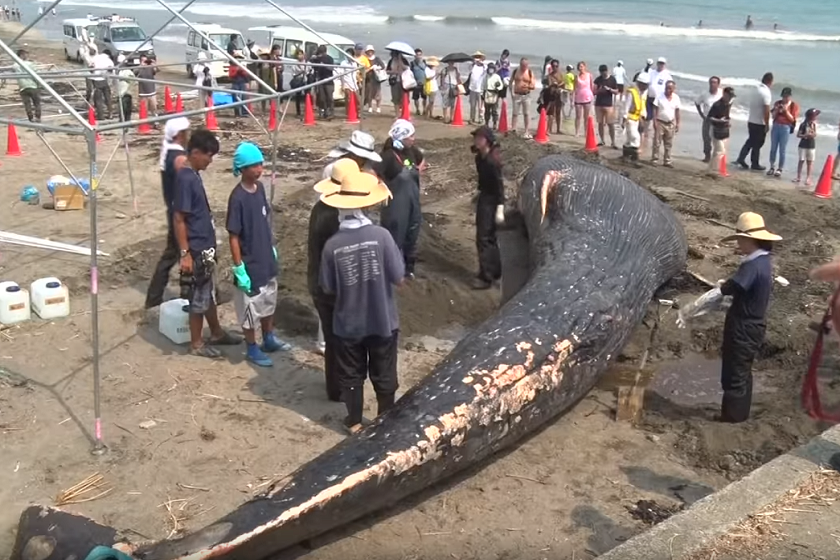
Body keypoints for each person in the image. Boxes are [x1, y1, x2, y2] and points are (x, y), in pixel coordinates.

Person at [318, 166, 404, 434]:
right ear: (366, 205)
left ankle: (354, 421)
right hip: (382, 319)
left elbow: (328, 287)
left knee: (352, 374)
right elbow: (399, 276)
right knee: (384, 372)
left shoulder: (332, 245)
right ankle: (384, 421)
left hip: (348, 323)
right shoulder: (382, 237)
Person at [311, 132, 383, 366]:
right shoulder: (333, 217)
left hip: (326, 279)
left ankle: (337, 378)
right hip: (333, 281)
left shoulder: (322, 213)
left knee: (335, 332)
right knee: (338, 336)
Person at [172, 129, 242, 358]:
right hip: (196, 247)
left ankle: (216, 332)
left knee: (207, 292)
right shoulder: (185, 178)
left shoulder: (192, 175)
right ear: (195, 152)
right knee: (198, 297)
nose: (210, 161)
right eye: (208, 155)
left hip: (205, 244)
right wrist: (186, 253)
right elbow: (179, 218)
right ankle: (196, 343)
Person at [226, 142, 290, 367]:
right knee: (250, 307)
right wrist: (238, 267)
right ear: (242, 169)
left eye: (261, 164)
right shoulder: (238, 198)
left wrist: (271, 246)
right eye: (254, 165)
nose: (259, 169)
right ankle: (252, 347)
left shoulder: (260, 189)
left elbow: (264, 220)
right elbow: (233, 235)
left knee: (268, 300)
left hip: (265, 256)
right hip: (250, 261)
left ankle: (269, 337)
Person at [717, 212, 781, 423]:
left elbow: (732, 287)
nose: (738, 244)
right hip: (753, 325)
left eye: (740, 240)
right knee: (743, 370)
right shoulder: (762, 261)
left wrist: (721, 288)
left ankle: (732, 418)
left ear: (748, 240)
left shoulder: (751, 266)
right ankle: (740, 413)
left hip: (744, 325)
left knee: (734, 373)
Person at [145, 117, 192, 309]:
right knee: (182, 253)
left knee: (175, 254)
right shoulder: (179, 159)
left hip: (174, 211)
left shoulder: (170, 153)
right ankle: (183, 296)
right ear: (180, 135)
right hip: (180, 214)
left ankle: (157, 297)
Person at [377, 119, 424, 279]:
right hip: (396, 206)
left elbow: (421, 160)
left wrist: (418, 169)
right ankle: (392, 270)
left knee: (412, 235)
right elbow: (372, 173)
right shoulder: (388, 156)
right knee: (395, 236)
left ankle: (408, 267)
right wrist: (382, 188)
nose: (413, 139)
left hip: (413, 202)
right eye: (410, 136)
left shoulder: (411, 151)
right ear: (401, 138)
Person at [471, 126, 504, 290]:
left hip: (491, 200)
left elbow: (499, 186)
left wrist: (500, 206)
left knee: (484, 237)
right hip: (484, 197)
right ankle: (494, 271)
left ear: (487, 141)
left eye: (479, 138)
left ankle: (487, 276)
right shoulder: (480, 158)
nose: (476, 141)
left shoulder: (492, 162)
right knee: (487, 236)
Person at [736, 72, 773, 171]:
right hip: (759, 122)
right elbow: (766, 109)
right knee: (758, 143)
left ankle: (741, 158)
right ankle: (754, 163)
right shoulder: (766, 92)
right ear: (770, 81)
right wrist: (767, 123)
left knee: (750, 141)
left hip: (751, 120)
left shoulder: (755, 90)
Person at [767, 87, 799, 178]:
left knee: (782, 149)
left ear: (790, 96)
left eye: (786, 96)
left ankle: (780, 168)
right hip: (776, 125)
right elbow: (773, 116)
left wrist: (785, 111)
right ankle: (772, 166)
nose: (784, 98)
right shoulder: (778, 103)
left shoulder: (793, 106)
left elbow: (792, 119)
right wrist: (777, 110)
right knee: (773, 147)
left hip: (785, 127)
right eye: (783, 96)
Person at [621, 72, 649, 164]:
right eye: (645, 85)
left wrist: (643, 116)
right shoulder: (632, 92)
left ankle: (625, 156)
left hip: (637, 118)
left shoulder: (642, 93)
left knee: (629, 139)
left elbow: (642, 105)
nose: (646, 87)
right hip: (630, 118)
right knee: (635, 138)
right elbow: (627, 106)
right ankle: (634, 158)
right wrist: (624, 118)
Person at [651, 80, 681, 167]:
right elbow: (655, 109)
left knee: (668, 143)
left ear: (673, 89)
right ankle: (654, 159)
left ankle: (667, 161)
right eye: (667, 88)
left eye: (670, 88)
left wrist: (678, 123)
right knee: (657, 142)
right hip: (660, 121)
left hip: (670, 123)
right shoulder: (659, 96)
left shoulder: (676, 98)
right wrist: (654, 121)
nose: (668, 90)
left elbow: (677, 111)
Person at [707, 87, 736, 174]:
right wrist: (720, 121)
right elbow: (710, 117)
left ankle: (712, 169)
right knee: (720, 150)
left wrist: (727, 122)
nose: (730, 98)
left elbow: (726, 116)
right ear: (724, 94)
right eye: (729, 96)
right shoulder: (717, 104)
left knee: (718, 151)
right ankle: (716, 170)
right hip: (715, 129)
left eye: (731, 96)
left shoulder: (728, 104)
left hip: (724, 130)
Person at [644, 57, 672, 147]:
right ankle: (645, 135)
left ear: (665, 64)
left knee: (657, 119)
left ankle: (657, 136)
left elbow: (670, 87)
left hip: (660, 100)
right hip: (650, 98)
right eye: (659, 63)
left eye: (662, 63)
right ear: (657, 63)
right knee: (647, 118)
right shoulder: (652, 72)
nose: (661, 65)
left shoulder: (667, 75)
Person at [694, 76, 722, 163]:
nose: (712, 84)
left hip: (718, 120)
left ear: (718, 84)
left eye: (714, 82)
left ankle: (716, 158)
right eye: (711, 82)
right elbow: (697, 102)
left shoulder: (721, 94)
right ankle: (707, 156)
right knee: (706, 139)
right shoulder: (704, 94)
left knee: (718, 141)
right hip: (708, 119)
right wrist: (701, 114)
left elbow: (729, 102)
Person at [593, 64, 618, 148]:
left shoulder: (612, 79)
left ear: (607, 71)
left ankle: (613, 142)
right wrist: (599, 90)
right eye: (601, 72)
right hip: (599, 104)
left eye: (604, 72)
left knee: (610, 124)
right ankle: (602, 140)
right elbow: (593, 92)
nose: (603, 74)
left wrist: (609, 89)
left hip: (608, 104)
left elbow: (617, 91)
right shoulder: (598, 80)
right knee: (600, 123)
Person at [510, 58, 536, 138]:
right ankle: (513, 129)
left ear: (527, 65)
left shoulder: (530, 72)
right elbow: (510, 82)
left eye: (525, 65)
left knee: (526, 114)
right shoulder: (516, 71)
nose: (523, 67)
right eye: (522, 65)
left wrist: (527, 86)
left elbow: (533, 85)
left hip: (526, 95)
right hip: (517, 94)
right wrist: (511, 94)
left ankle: (526, 131)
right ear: (520, 64)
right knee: (515, 113)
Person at [14, 49, 41, 123]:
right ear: (22, 55)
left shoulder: (15, 65)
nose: (27, 56)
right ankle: (37, 117)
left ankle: (30, 118)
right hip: (32, 85)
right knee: (37, 103)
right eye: (26, 54)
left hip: (22, 87)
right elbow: (37, 74)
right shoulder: (30, 64)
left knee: (27, 104)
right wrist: (39, 84)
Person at [795, 108, 820, 186]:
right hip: (803, 145)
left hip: (811, 145)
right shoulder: (803, 124)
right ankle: (798, 176)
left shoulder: (814, 124)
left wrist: (813, 134)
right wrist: (805, 135)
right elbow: (798, 135)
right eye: (815, 116)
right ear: (810, 116)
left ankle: (808, 178)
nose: (816, 117)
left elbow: (815, 134)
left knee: (810, 162)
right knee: (801, 161)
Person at [311, 45, 336, 119]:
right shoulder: (317, 58)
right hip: (320, 80)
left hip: (329, 80)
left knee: (329, 97)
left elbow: (331, 68)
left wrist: (324, 65)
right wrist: (313, 57)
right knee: (322, 98)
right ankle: (324, 112)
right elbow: (312, 64)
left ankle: (331, 112)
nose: (321, 55)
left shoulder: (329, 59)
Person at [90, 48, 114, 120]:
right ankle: (110, 114)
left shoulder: (95, 57)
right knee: (108, 98)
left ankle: (101, 115)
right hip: (104, 80)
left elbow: (91, 68)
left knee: (98, 99)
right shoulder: (109, 60)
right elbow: (111, 70)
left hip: (96, 80)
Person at [573, 61, 594, 137]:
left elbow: (592, 86)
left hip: (587, 98)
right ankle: (577, 132)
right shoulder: (576, 77)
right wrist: (572, 99)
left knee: (586, 117)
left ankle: (586, 132)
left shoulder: (589, 75)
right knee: (578, 116)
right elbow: (574, 88)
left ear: (585, 67)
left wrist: (592, 96)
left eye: (581, 66)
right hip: (578, 98)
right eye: (579, 67)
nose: (580, 68)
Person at [386, 49, 410, 117]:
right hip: (394, 81)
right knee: (395, 98)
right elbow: (387, 71)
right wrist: (394, 72)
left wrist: (400, 61)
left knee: (404, 98)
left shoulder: (404, 60)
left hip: (404, 82)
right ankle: (397, 114)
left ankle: (403, 113)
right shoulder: (391, 61)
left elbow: (407, 68)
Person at [543, 59, 563, 134]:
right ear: (551, 66)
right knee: (551, 113)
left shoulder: (560, 74)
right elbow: (549, 86)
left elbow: (564, 83)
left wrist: (559, 85)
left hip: (559, 95)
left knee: (558, 112)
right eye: (554, 66)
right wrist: (554, 84)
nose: (555, 67)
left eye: (556, 66)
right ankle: (549, 129)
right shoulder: (549, 76)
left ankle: (558, 129)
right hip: (552, 95)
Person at [439, 60, 461, 124]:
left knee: (452, 103)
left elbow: (457, 78)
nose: (451, 63)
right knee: (445, 103)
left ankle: (451, 118)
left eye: (452, 62)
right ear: (448, 63)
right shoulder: (445, 70)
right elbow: (442, 78)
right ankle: (445, 117)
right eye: (450, 62)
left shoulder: (456, 69)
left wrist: (459, 85)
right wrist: (443, 86)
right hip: (447, 85)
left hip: (454, 86)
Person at [482, 62, 504, 128]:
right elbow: (483, 85)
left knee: (494, 110)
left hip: (494, 94)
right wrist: (482, 93)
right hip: (487, 93)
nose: (490, 70)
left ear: (494, 69)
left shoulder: (497, 77)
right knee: (487, 110)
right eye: (489, 68)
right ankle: (486, 123)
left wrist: (498, 88)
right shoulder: (485, 77)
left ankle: (494, 123)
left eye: (492, 68)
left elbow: (501, 85)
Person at [363, 45, 384, 113]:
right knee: (369, 93)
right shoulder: (365, 59)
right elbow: (364, 68)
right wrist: (370, 68)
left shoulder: (377, 59)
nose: (370, 52)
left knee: (378, 93)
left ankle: (378, 107)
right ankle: (370, 107)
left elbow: (383, 66)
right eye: (368, 51)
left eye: (371, 51)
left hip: (377, 79)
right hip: (368, 79)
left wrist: (377, 67)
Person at [468, 51, 487, 125]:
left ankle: (480, 118)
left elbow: (487, 70)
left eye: (479, 57)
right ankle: (472, 118)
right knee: (472, 105)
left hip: (480, 89)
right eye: (476, 57)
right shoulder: (472, 66)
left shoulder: (484, 67)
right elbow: (469, 69)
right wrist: (473, 62)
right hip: (472, 88)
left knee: (480, 106)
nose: (477, 59)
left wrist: (481, 63)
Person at [289, 49, 308, 118]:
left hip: (305, 81)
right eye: (298, 54)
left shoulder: (307, 63)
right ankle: (298, 112)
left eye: (301, 54)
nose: (300, 56)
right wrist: (300, 72)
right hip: (298, 81)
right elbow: (293, 74)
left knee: (307, 97)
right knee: (298, 97)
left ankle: (307, 112)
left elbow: (309, 71)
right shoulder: (295, 64)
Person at [340, 47, 360, 113]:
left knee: (357, 99)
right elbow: (341, 74)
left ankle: (357, 112)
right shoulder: (343, 63)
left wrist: (359, 82)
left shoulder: (355, 63)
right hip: (347, 83)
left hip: (354, 83)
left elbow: (357, 73)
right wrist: (342, 85)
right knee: (348, 98)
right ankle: (348, 112)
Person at [115, 54, 134, 121]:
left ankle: (127, 121)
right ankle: (122, 120)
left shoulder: (128, 71)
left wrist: (125, 79)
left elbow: (132, 80)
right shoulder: (116, 71)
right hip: (119, 93)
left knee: (127, 109)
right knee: (121, 109)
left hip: (126, 93)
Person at [410, 48, 428, 116]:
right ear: (414, 55)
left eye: (420, 55)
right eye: (417, 55)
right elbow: (410, 73)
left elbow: (427, 72)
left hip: (424, 83)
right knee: (416, 98)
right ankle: (417, 109)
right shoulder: (412, 63)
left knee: (424, 97)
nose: (418, 56)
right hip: (416, 83)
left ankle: (424, 109)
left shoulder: (424, 62)